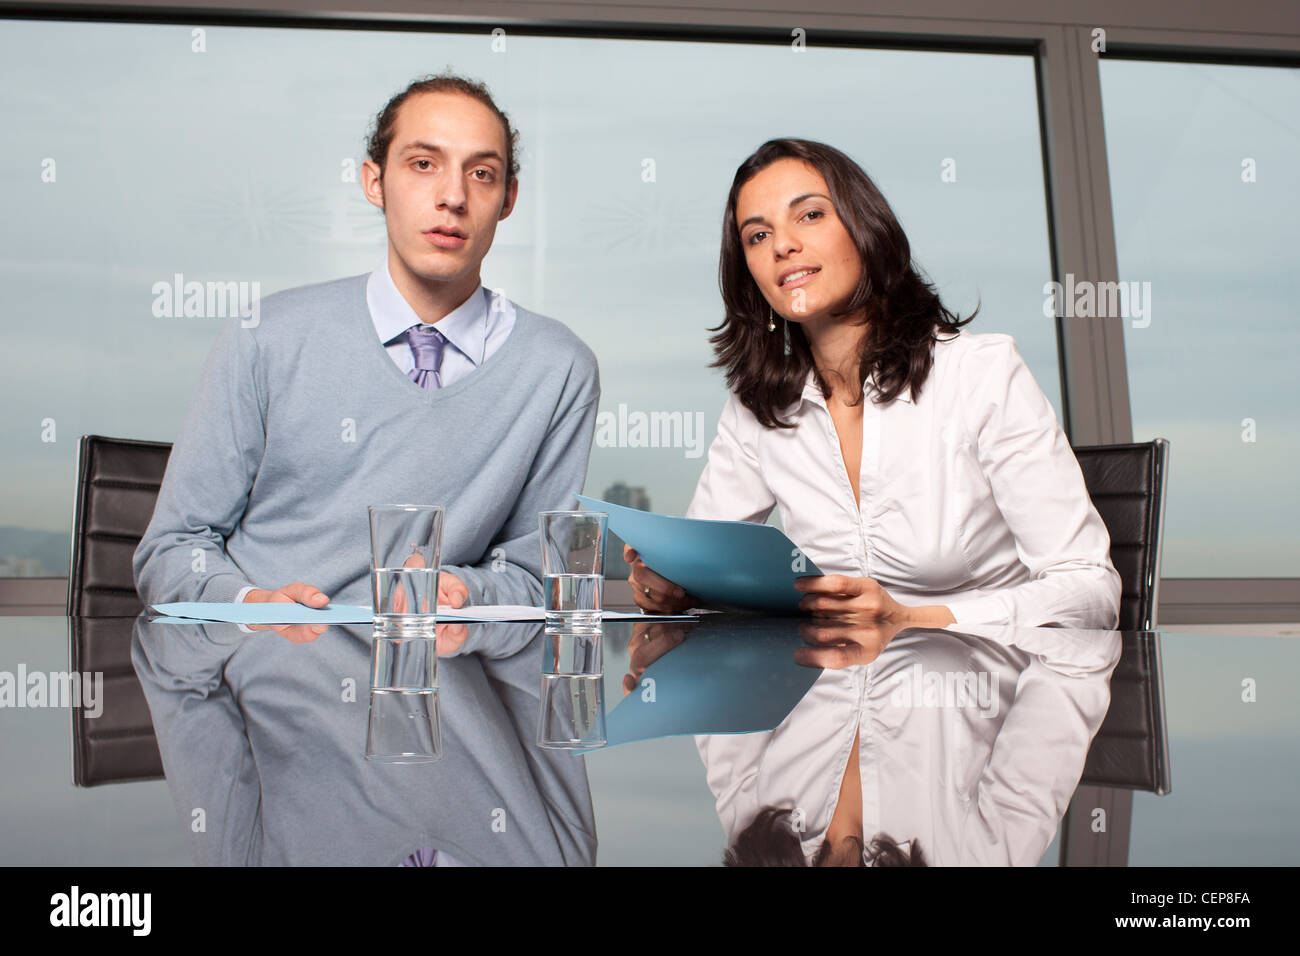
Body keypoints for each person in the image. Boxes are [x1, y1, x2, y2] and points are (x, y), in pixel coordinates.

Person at [134, 73, 600, 614]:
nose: (453, 197)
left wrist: (467, 590)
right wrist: (252, 606)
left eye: (482, 173)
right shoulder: (266, 336)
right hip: (269, 682)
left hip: (443, 682)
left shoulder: (559, 368)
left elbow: (536, 572)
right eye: (423, 164)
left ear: (508, 198)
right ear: (374, 182)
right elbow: (172, 550)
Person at [626, 138, 1120, 630]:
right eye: (757, 236)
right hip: (830, 691)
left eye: (811, 215)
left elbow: (1089, 590)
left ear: (864, 228)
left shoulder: (981, 373)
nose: (782, 245)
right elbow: (710, 561)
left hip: (984, 688)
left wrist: (912, 618)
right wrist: (675, 586)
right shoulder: (758, 403)